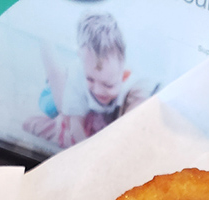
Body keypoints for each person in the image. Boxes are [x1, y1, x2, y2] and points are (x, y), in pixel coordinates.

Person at [24, 13, 156, 149]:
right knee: (56, 109)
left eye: (108, 85)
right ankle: (46, 45)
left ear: (124, 75)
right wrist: (87, 150)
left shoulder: (134, 85)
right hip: (59, 98)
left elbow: (133, 123)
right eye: (90, 79)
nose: (98, 90)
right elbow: (75, 124)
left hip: (98, 114)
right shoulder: (79, 77)